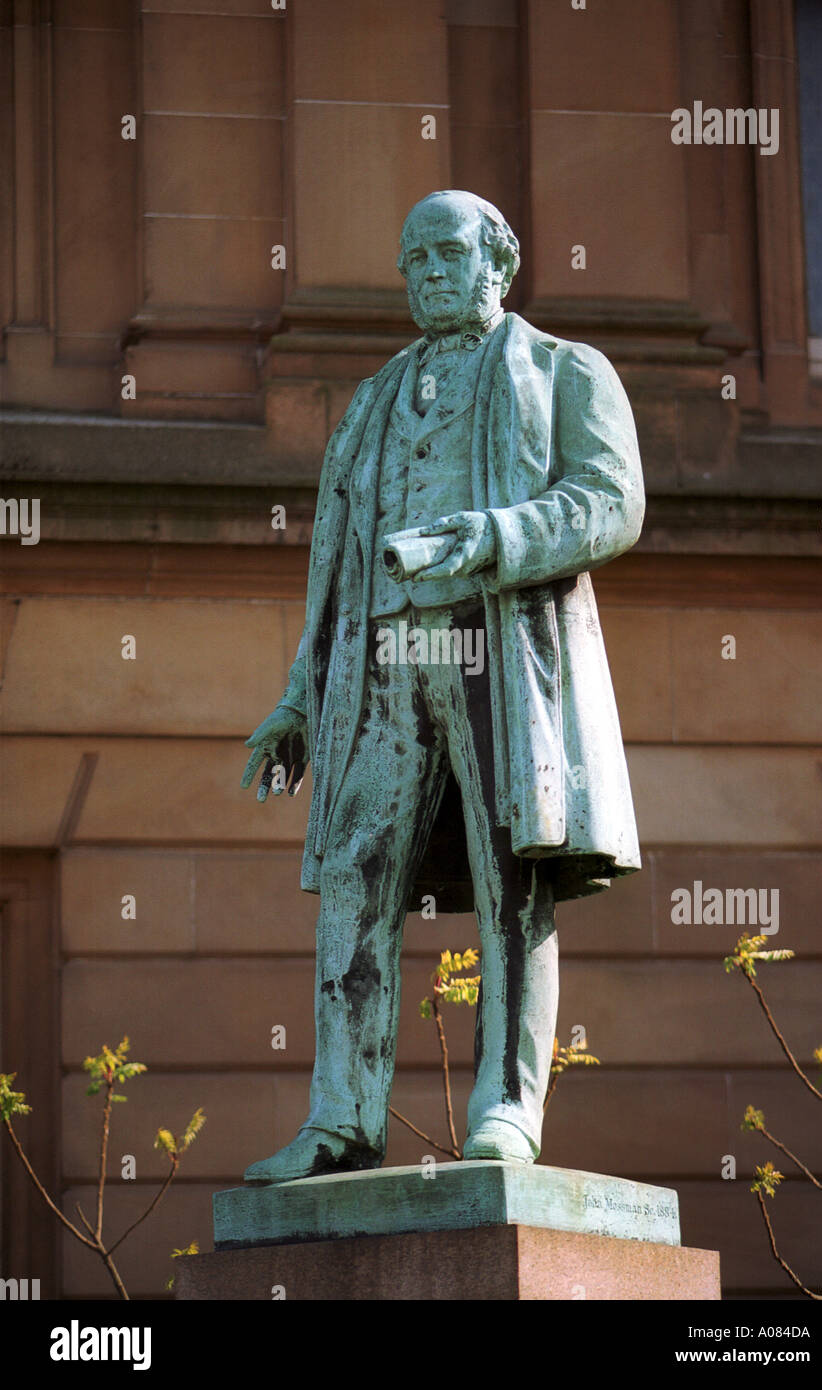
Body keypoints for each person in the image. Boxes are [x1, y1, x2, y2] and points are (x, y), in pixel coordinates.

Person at [240, 190, 645, 1181]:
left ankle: (506, 1107)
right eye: (410, 258)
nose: (424, 273)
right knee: (352, 877)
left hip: (498, 649)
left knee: (512, 874)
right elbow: (332, 566)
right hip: (382, 666)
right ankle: (340, 1119)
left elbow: (609, 501)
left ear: (496, 263)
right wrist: (299, 694)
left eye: (443, 254)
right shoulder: (375, 397)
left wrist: (492, 536)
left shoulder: (564, 371)